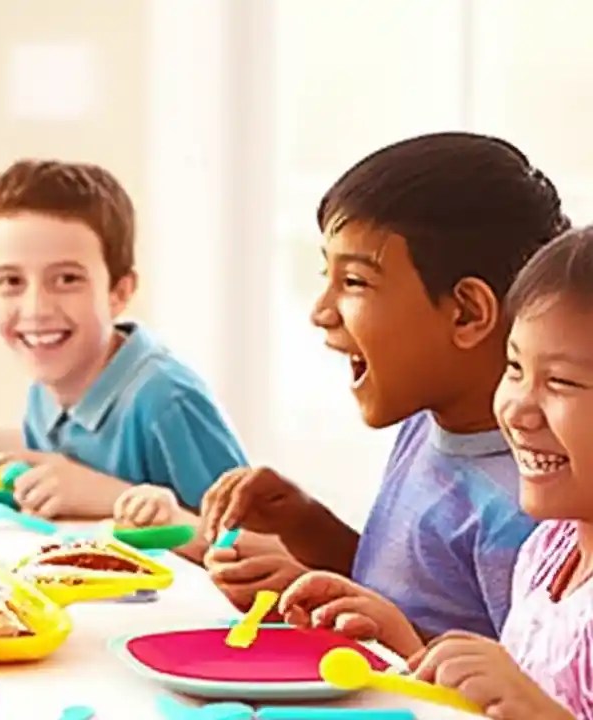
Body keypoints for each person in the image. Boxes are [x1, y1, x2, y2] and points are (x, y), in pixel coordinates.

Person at [198, 132, 570, 629]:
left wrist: (368, 623)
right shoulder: (425, 424)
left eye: (353, 282)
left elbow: (529, 687)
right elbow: (409, 590)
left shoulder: (529, 503)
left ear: (465, 312)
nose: (320, 311)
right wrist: (305, 525)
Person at [279, 226, 593, 720]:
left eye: (560, 381)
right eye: (514, 368)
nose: (517, 409)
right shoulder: (549, 551)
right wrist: (403, 645)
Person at [0, 160, 245, 554]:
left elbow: (256, 550)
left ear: (119, 292)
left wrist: (110, 497)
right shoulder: (51, 385)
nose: (36, 308)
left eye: (67, 279)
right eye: (11, 281)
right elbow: (57, 453)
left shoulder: (167, 400)